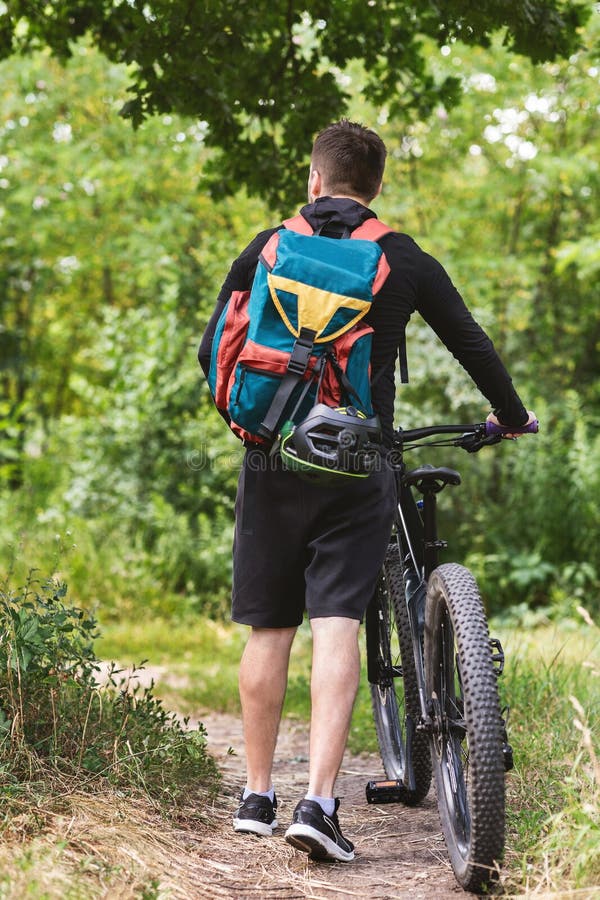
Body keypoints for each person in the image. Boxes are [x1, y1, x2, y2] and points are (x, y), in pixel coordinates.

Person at [198, 119, 536, 862]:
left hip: (273, 455)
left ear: (313, 180)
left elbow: (211, 348)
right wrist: (510, 418)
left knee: (268, 628)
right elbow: (471, 342)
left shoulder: (269, 246)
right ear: (376, 187)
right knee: (338, 624)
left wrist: (257, 426)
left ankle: (256, 797)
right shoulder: (401, 257)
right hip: (358, 463)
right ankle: (318, 803)